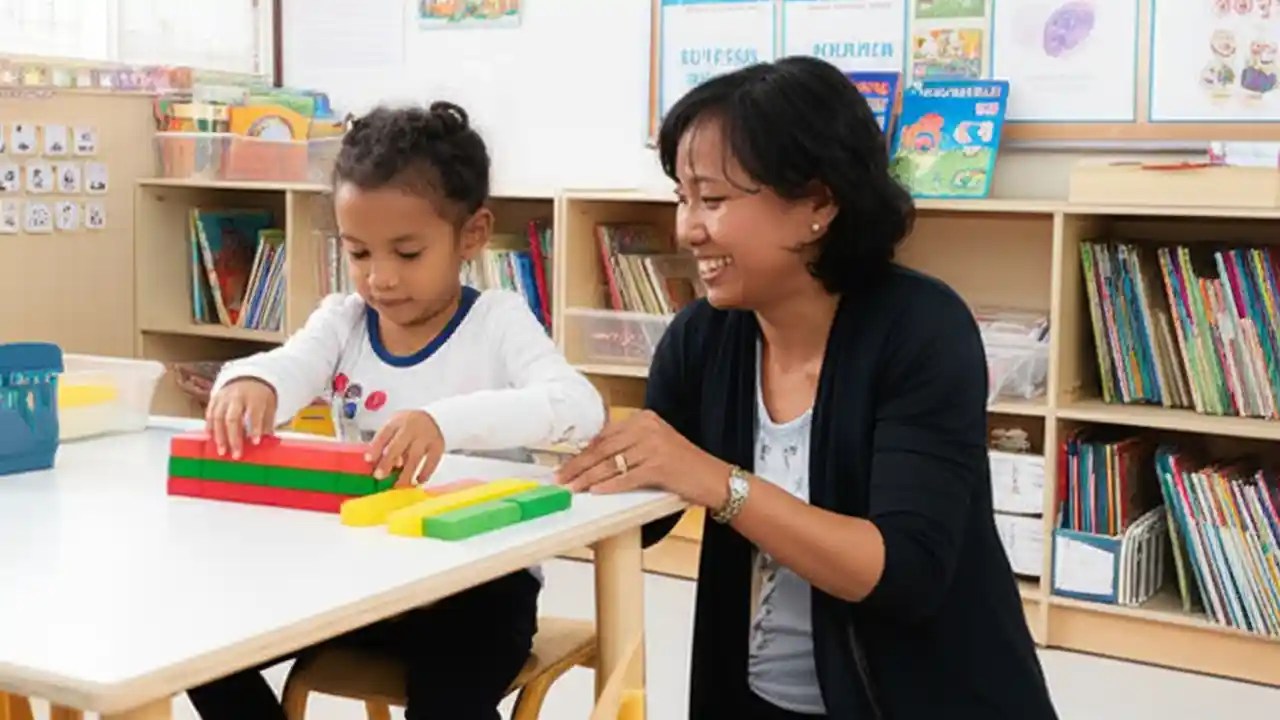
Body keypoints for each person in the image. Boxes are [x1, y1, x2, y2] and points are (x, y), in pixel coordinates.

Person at [556, 57, 1059, 720]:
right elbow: (643, 522)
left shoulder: (922, 330)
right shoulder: (701, 340)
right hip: (755, 698)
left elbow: (902, 573)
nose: (687, 228)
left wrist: (717, 482)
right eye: (683, 198)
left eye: (713, 199)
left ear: (818, 203)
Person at [188, 101, 605, 720]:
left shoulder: (497, 320)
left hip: (479, 589)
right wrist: (251, 382)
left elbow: (580, 408)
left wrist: (444, 422)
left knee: (446, 701)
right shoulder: (344, 320)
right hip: (363, 579)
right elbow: (289, 364)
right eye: (359, 253)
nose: (379, 278)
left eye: (406, 254)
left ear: (472, 235)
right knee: (202, 647)